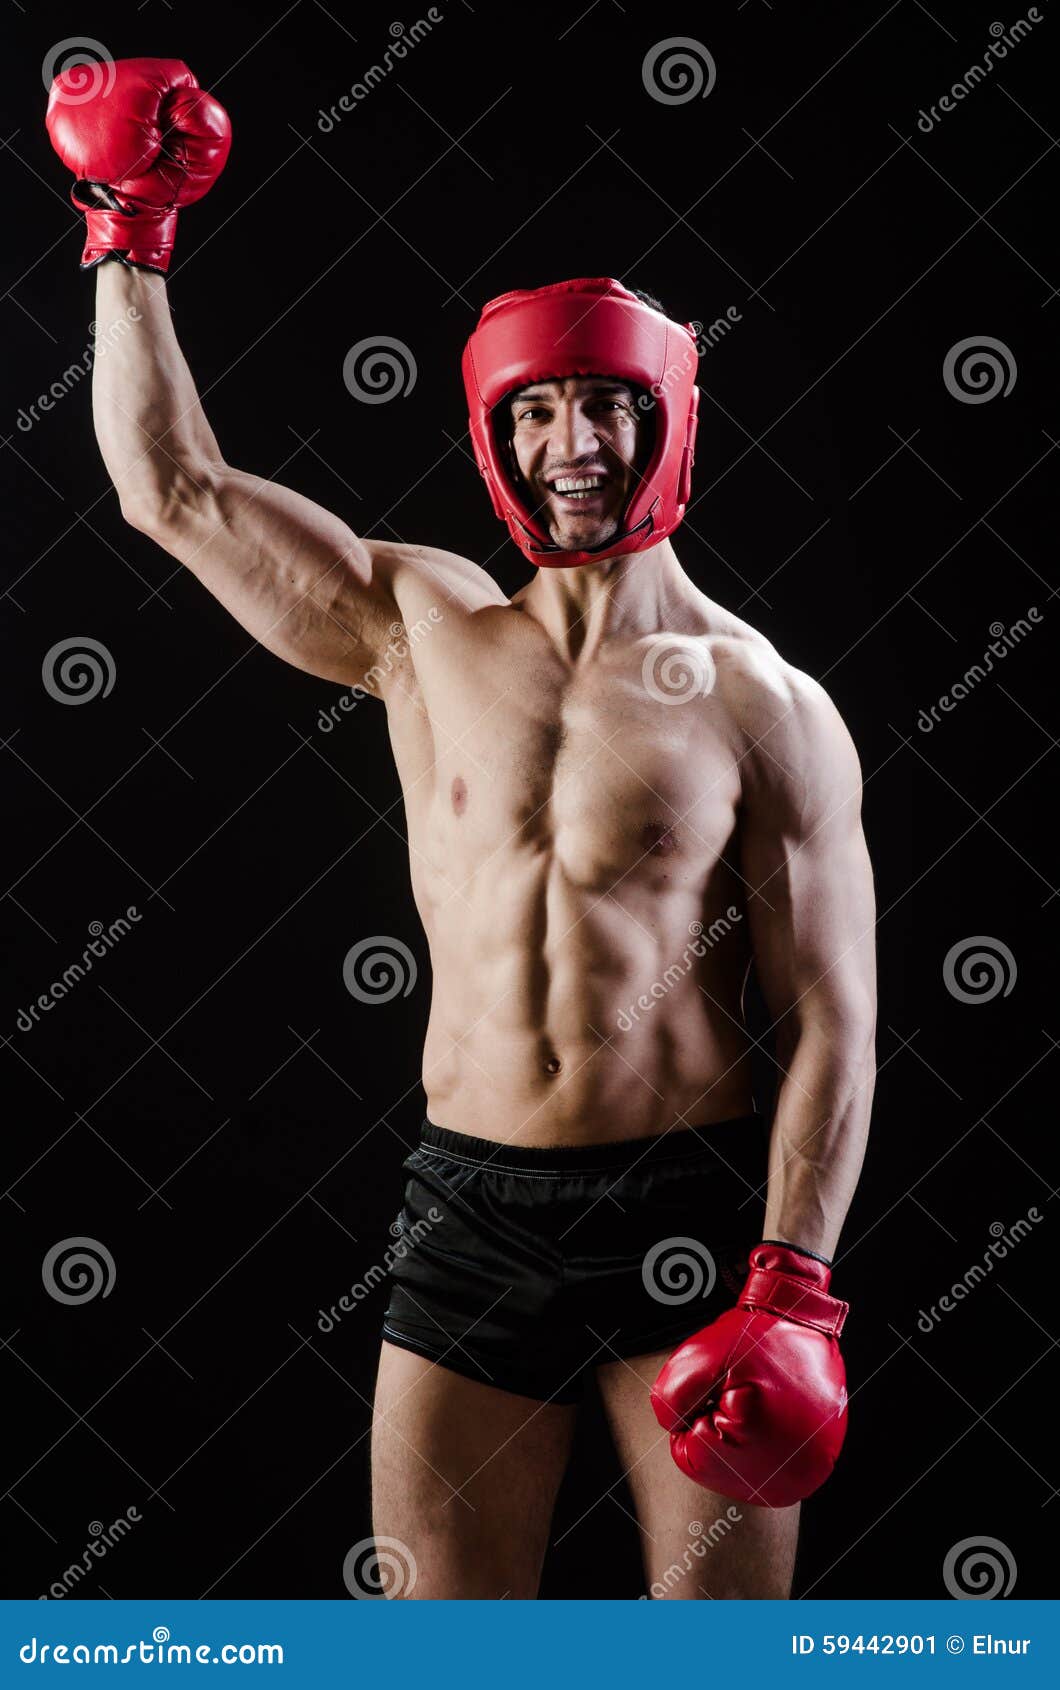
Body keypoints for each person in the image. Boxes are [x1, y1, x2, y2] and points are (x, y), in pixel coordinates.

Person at [46, 59, 877, 1600]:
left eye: (609, 409)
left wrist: (795, 1289)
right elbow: (170, 490)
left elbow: (835, 1018)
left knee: (722, 1656)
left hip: (690, 1205)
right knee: (437, 1647)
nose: (576, 446)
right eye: (541, 410)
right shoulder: (416, 625)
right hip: (471, 1206)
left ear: (669, 423)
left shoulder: (768, 704)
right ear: (496, 430)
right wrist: (129, 232)